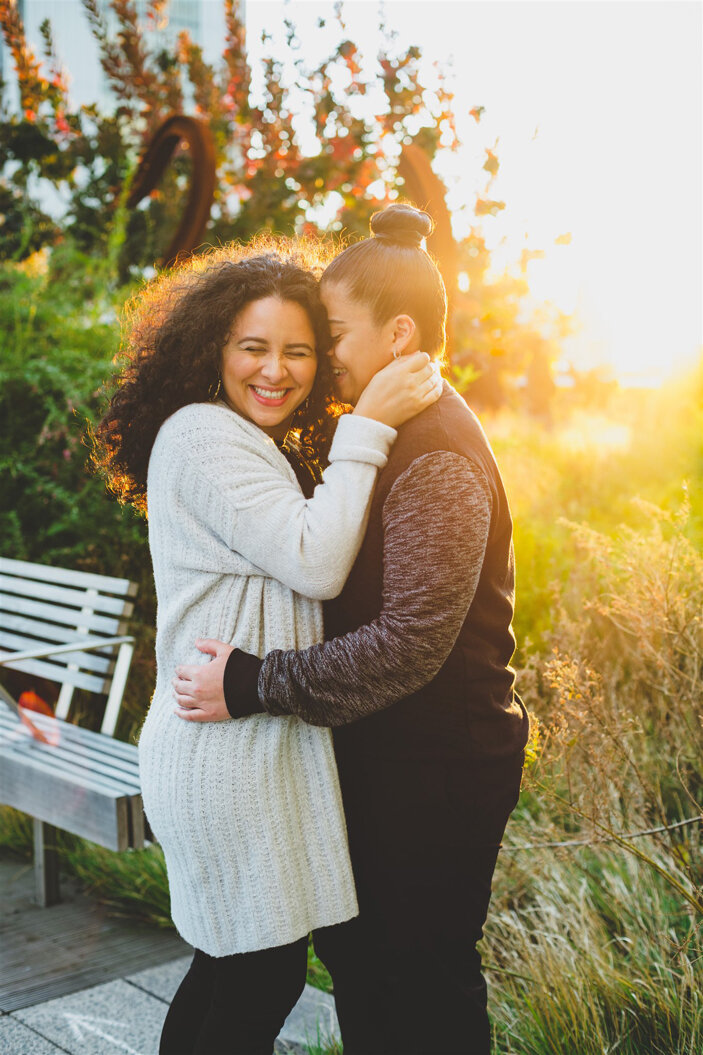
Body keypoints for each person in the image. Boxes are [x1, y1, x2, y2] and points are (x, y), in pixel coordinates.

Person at [173, 205, 530, 1055]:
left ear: (397, 332)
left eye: (332, 333)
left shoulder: (436, 451)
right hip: (388, 761)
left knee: (418, 989)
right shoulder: (377, 431)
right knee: (372, 978)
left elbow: (410, 641)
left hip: (439, 768)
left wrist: (255, 682)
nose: (322, 354)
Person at [92, 237, 442, 1055]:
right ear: (213, 348)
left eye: (298, 351)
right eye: (253, 347)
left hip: (238, 742)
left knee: (229, 970)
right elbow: (315, 560)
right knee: (259, 977)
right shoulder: (203, 436)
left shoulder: (246, 437)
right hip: (224, 752)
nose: (275, 371)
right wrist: (369, 424)